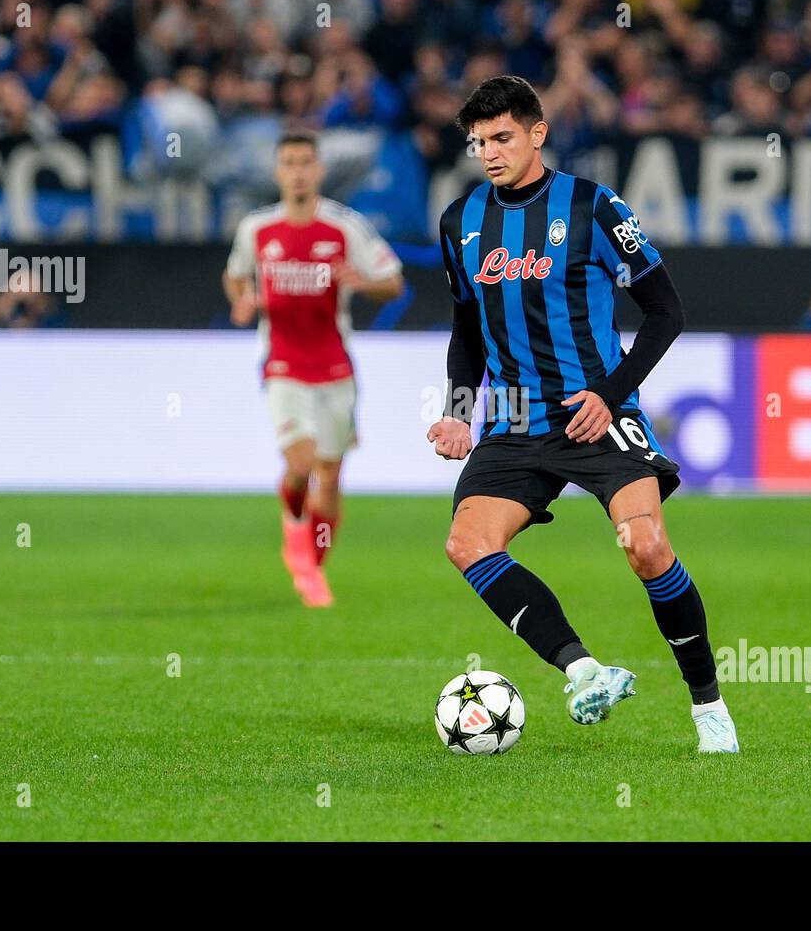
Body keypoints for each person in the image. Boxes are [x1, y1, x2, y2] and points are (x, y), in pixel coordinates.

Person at [426, 76, 739, 754]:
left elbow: (666, 312)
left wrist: (610, 391)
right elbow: (466, 329)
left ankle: (708, 706)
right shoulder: (461, 221)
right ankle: (586, 670)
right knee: (467, 544)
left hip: (596, 414)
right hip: (512, 419)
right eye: (479, 141)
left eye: (503, 137)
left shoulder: (594, 208)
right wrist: (458, 412)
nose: (489, 152)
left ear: (538, 133)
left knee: (647, 547)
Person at [223, 131, 404, 607]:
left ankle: (312, 568)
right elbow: (235, 273)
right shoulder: (257, 229)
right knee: (300, 464)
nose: (298, 171)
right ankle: (296, 537)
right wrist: (242, 300)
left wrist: (362, 281)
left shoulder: (345, 227)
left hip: (335, 367)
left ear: (319, 170)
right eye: (289, 162)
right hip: (283, 365)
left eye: (306, 162)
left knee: (331, 475)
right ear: (277, 171)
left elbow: (393, 282)